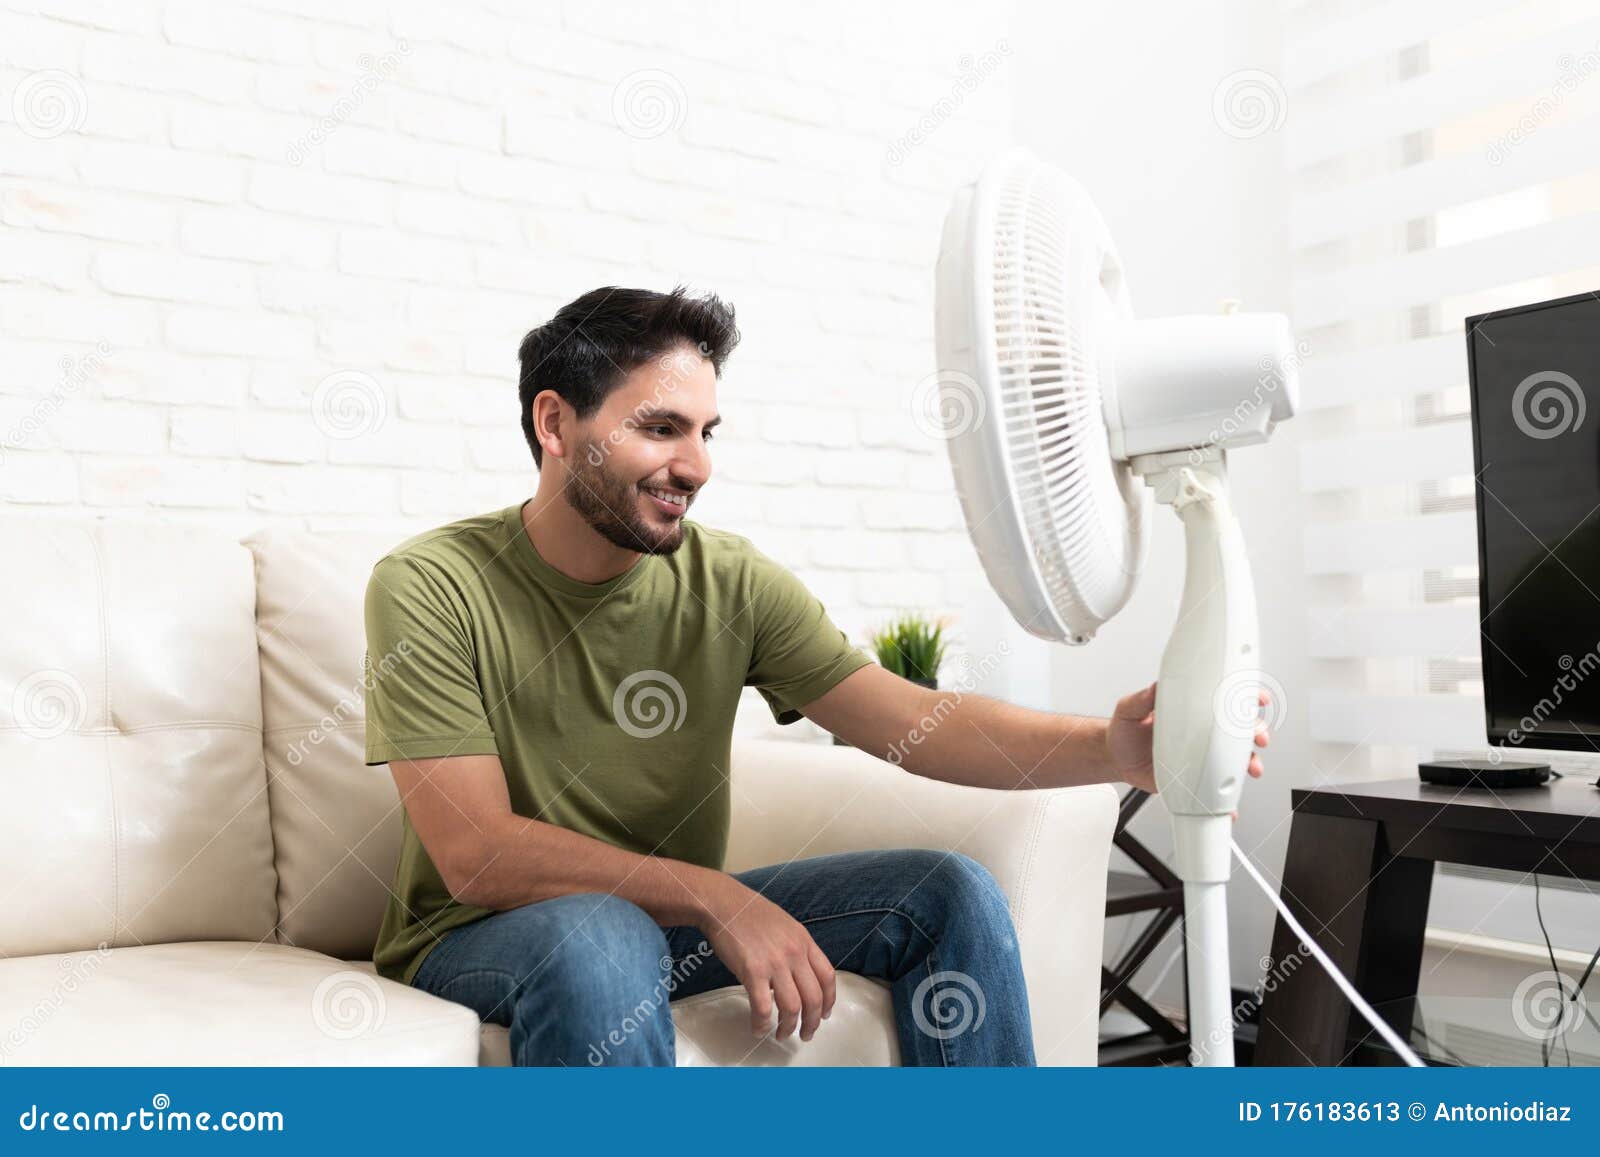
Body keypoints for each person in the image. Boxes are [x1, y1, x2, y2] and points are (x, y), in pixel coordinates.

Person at [362, 285, 1270, 1066]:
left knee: (943, 893)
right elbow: (476, 850)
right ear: (555, 422)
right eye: (660, 427)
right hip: (479, 936)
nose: (697, 465)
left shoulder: (730, 581)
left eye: (707, 431)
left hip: (656, 924)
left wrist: (1112, 748)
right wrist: (716, 896)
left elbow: (916, 720)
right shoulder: (433, 585)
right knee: (602, 933)